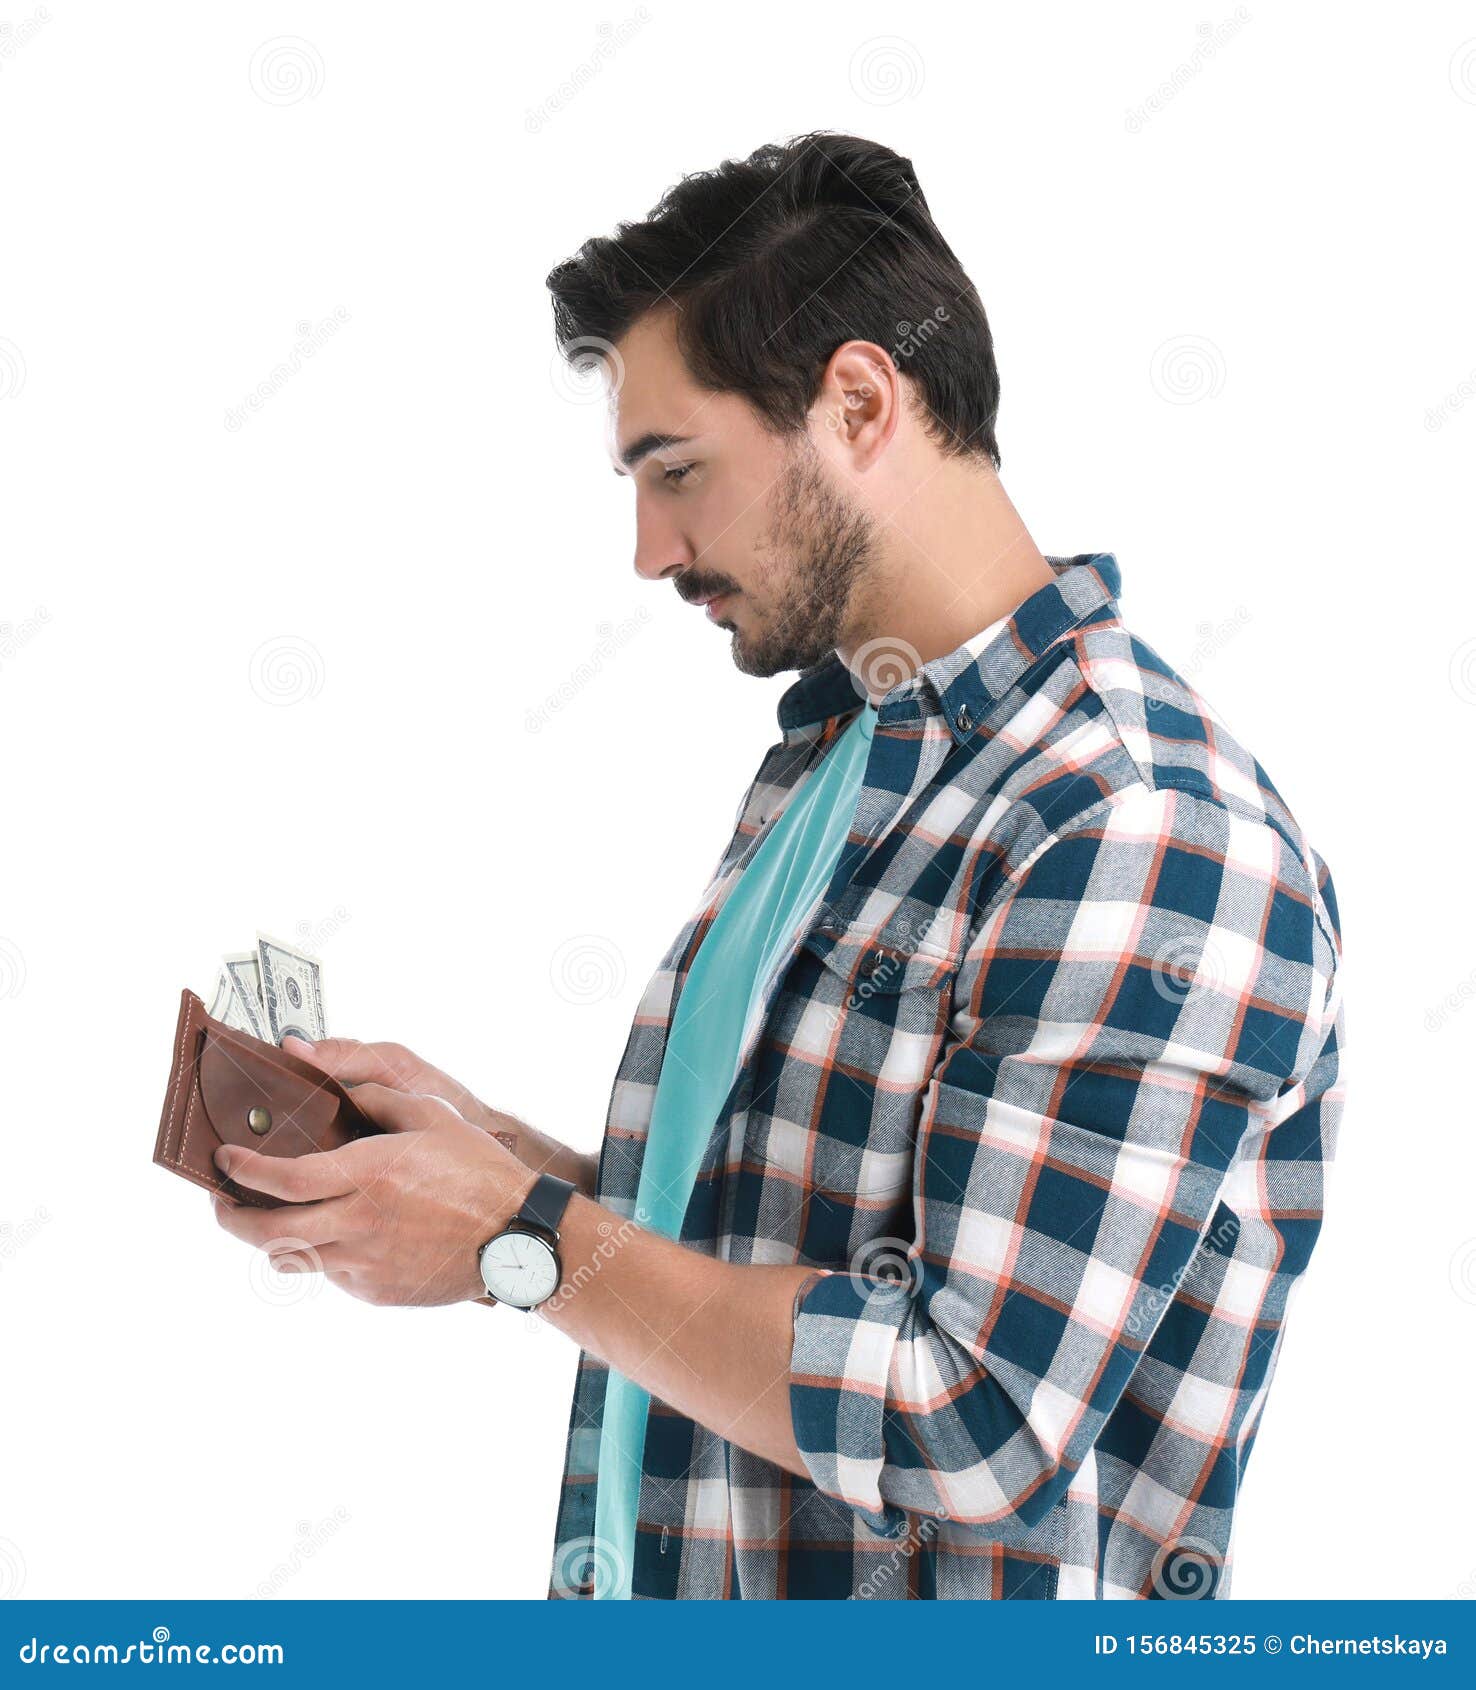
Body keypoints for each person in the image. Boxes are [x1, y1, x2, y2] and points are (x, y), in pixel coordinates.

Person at [211, 132, 1345, 1601]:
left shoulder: (1136, 828)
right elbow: (750, 1245)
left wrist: (516, 1240)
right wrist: (491, 1164)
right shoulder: (846, 761)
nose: (646, 548)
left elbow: (971, 1419)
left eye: (675, 469)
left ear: (860, 401)